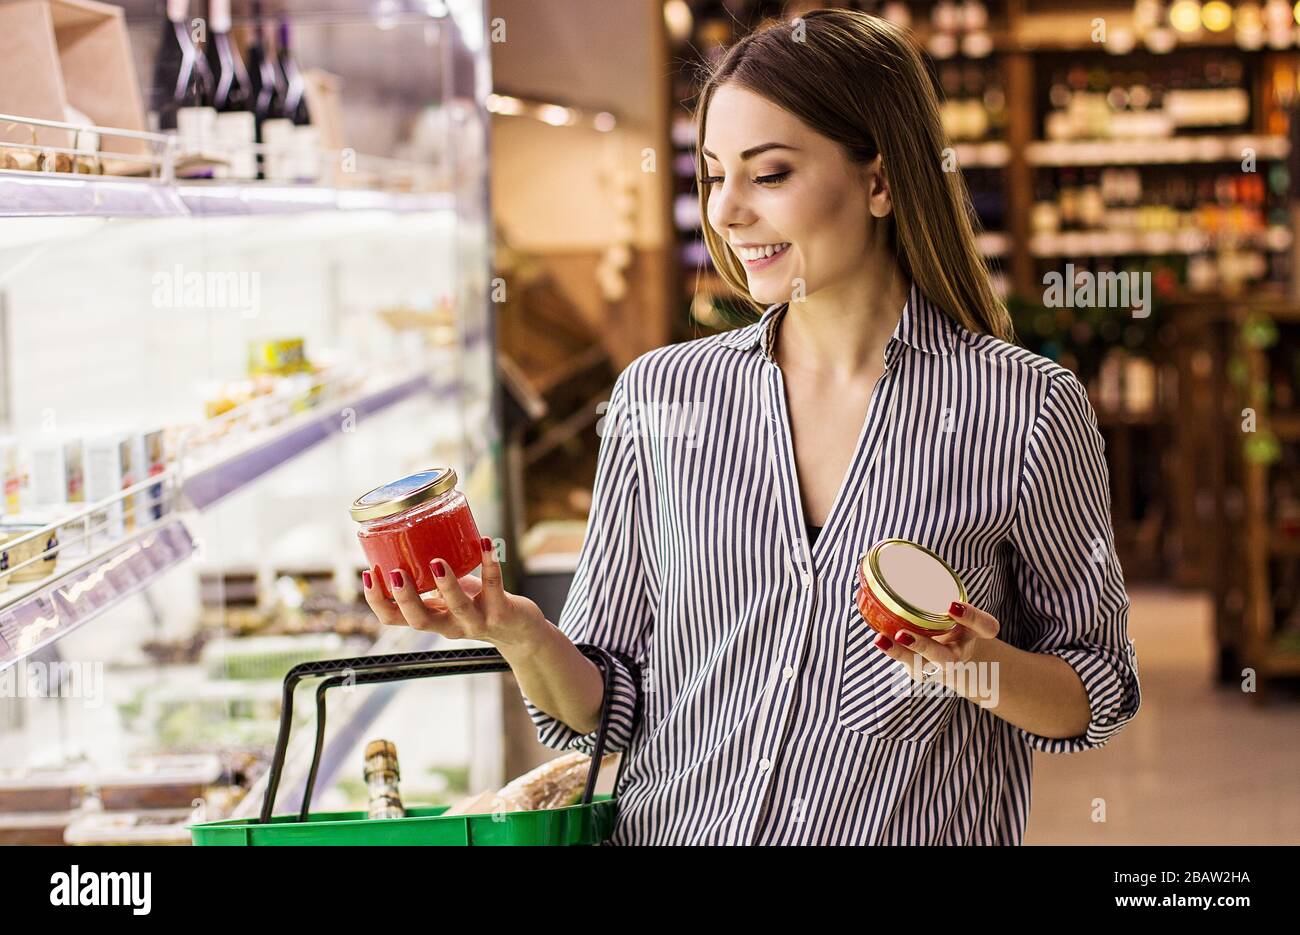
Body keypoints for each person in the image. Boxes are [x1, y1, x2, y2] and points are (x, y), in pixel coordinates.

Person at [361, 8, 1140, 845]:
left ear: (880, 181)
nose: (726, 213)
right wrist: (519, 633)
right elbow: (606, 705)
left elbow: (1093, 687)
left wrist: (975, 666)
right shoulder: (662, 397)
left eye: (768, 175)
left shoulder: (1022, 406)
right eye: (713, 174)